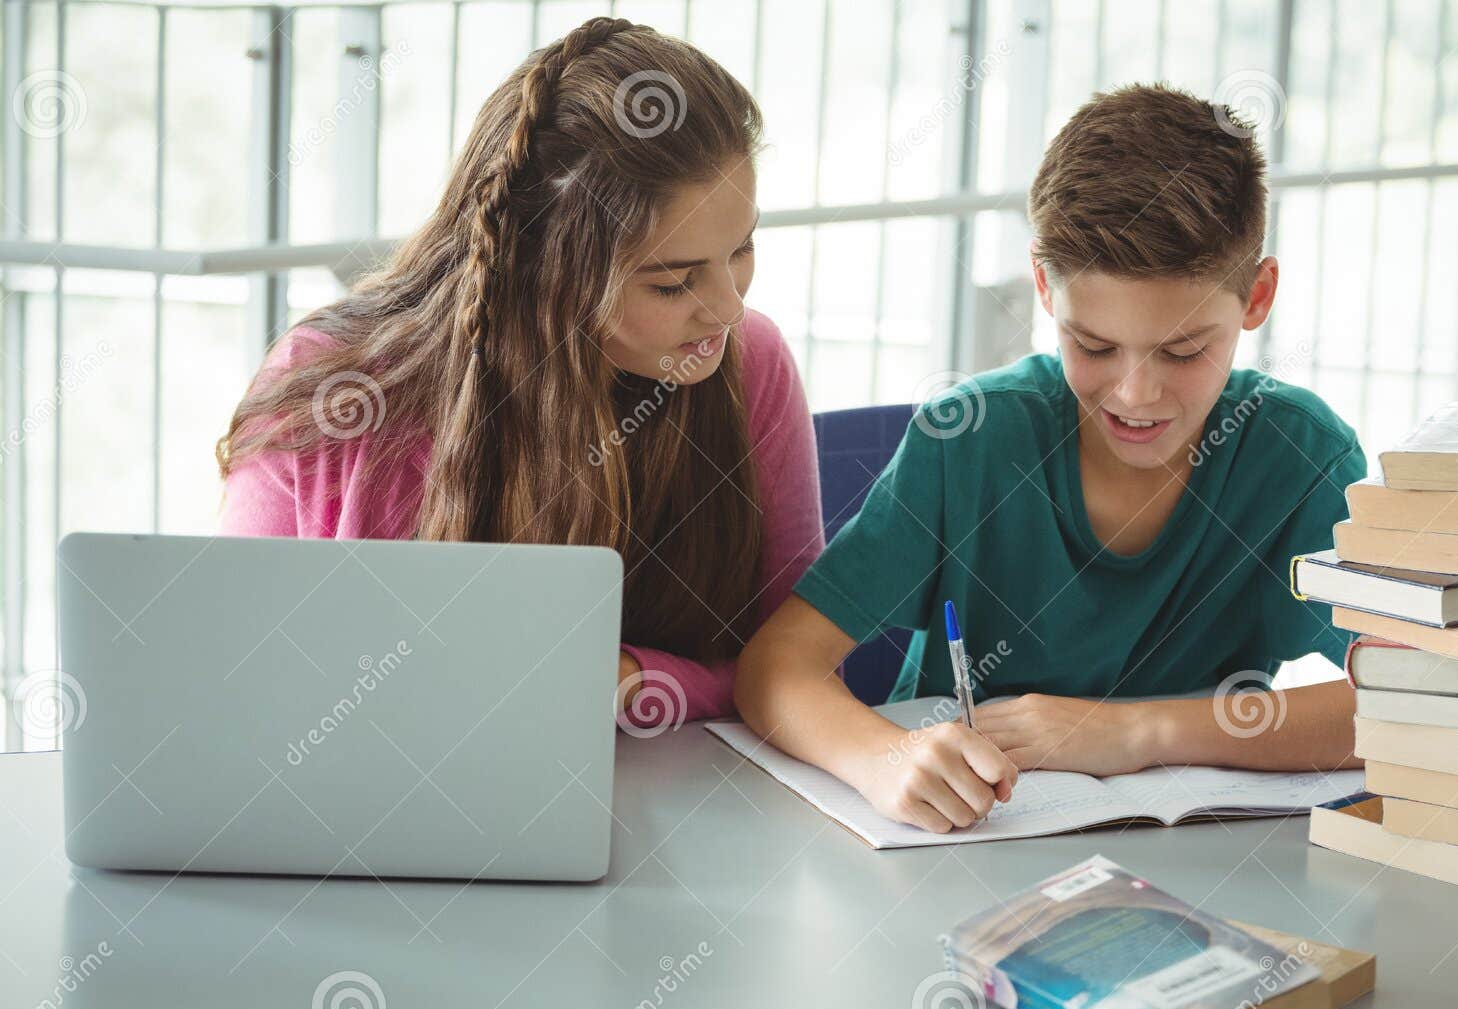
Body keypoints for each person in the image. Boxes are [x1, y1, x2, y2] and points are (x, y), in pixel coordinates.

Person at [735, 84, 1367, 834]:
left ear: (1257, 296)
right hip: (950, 859)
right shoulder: (968, 442)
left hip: (1191, 870)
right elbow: (774, 667)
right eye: (1093, 345)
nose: (1136, 393)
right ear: (1044, 284)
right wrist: (884, 758)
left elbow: (1418, 703)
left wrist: (1138, 732)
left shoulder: (1300, 457)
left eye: (1185, 349)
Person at [216, 17, 822, 731]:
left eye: (741, 250)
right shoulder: (330, 387)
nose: (727, 307)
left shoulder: (754, 364)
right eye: (672, 282)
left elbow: (796, 665)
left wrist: (638, 681)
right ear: (545, 271)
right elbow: (241, 677)